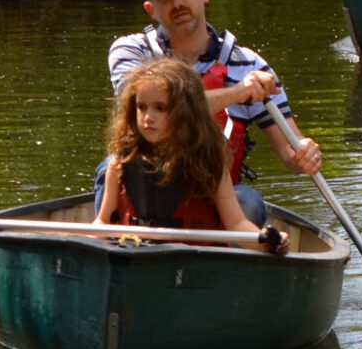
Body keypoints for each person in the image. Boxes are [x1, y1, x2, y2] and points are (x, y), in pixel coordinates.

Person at [106, 0, 324, 224]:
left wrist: (303, 154)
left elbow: (290, 150)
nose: (177, 2)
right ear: (151, 9)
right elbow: (153, 110)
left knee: (249, 202)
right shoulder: (132, 52)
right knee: (108, 169)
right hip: (147, 188)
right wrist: (237, 93)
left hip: (218, 193)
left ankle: (234, 248)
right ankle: (109, 242)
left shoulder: (250, 65)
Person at [94, 57, 282, 251]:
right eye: (142, 107)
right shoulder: (120, 162)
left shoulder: (210, 164)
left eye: (160, 108)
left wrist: (268, 244)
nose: (148, 118)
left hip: (194, 261)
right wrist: (82, 242)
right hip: (134, 255)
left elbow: (236, 224)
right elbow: (102, 222)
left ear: (185, 113)